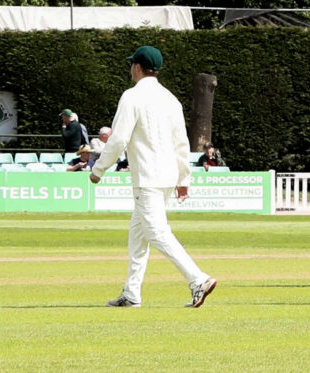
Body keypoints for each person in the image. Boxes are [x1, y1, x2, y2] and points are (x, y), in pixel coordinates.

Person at [89, 45, 218, 309]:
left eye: (131, 65)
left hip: (147, 177)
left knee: (157, 232)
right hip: (167, 177)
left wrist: (98, 169)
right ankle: (131, 293)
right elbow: (181, 142)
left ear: (137, 67)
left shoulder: (131, 96)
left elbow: (118, 139)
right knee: (138, 236)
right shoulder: (170, 99)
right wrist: (184, 179)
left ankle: (198, 279)